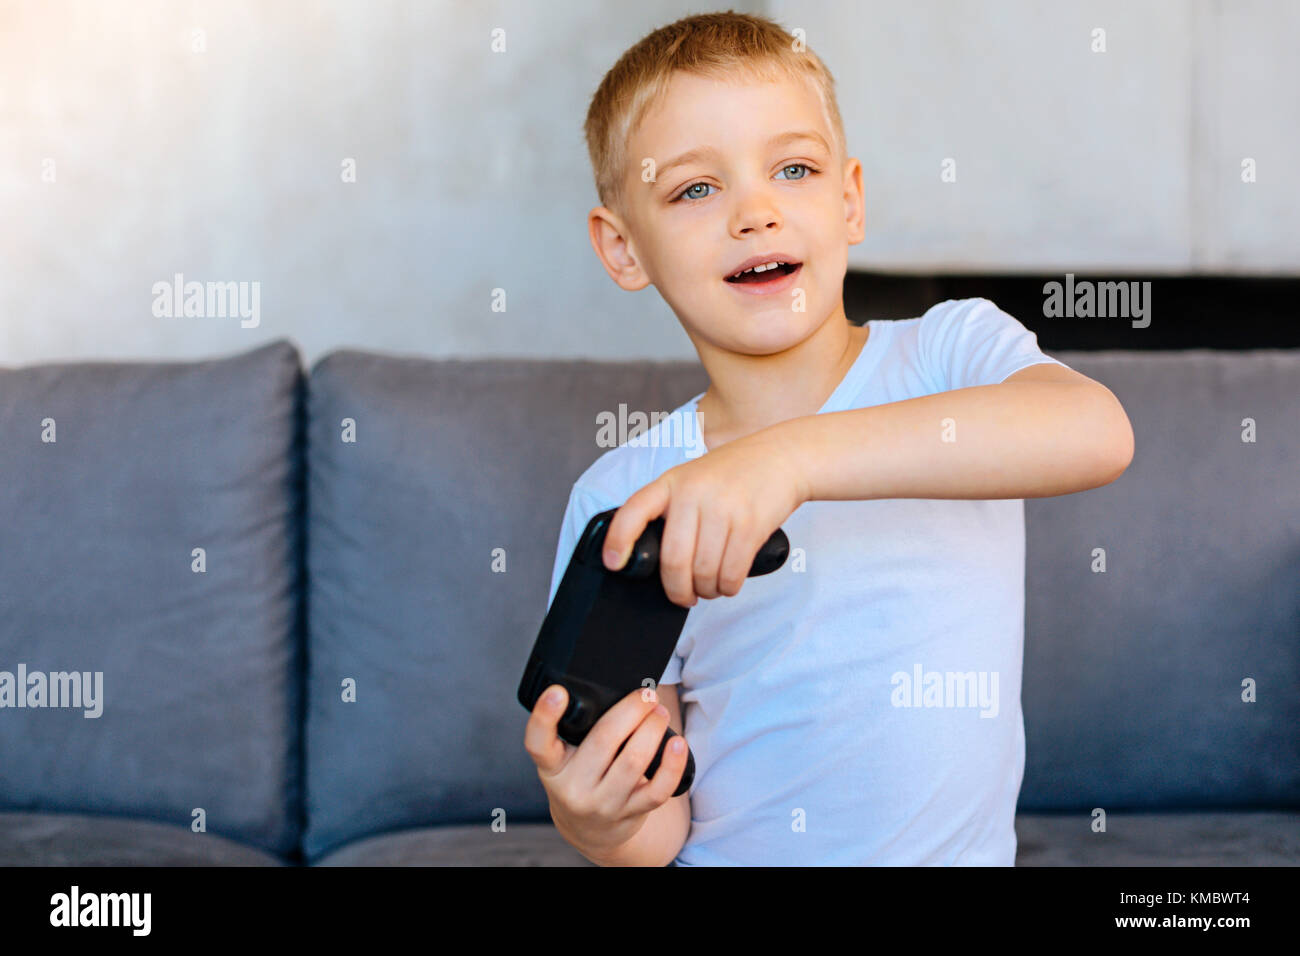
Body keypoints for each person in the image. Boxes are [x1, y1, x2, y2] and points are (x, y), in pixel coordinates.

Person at [523, 11, 1134, 866]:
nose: (756, 212)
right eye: (696, 189)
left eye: (794, 169)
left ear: (849, 200)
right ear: (624, 249)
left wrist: (788, 459)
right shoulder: (624, 497)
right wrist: (601, 819)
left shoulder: (951, 353)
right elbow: (660, 829)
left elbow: (1096, 432)